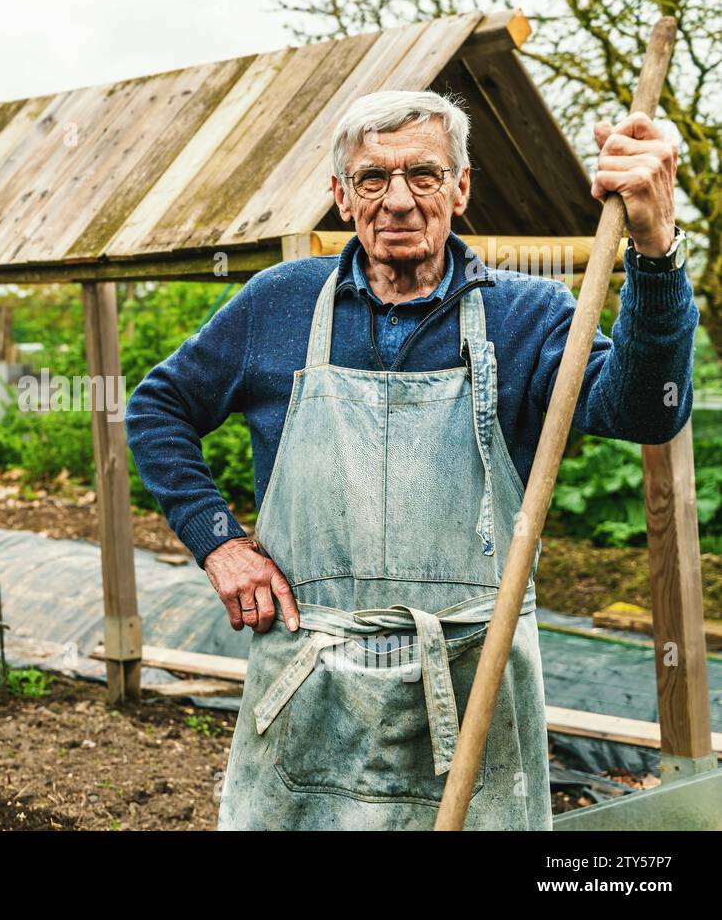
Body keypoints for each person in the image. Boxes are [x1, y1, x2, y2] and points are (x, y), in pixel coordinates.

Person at [125, 89, 697, 829]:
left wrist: (654, 252)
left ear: (460, 189)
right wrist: (220, 542)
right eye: (372, 178)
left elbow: (650, 409)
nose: (397, 199)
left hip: (474, 692)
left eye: (423, 175)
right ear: (340, 197)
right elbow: (156, 407)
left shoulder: (530, 315)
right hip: (310, 684)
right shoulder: (280, 304)